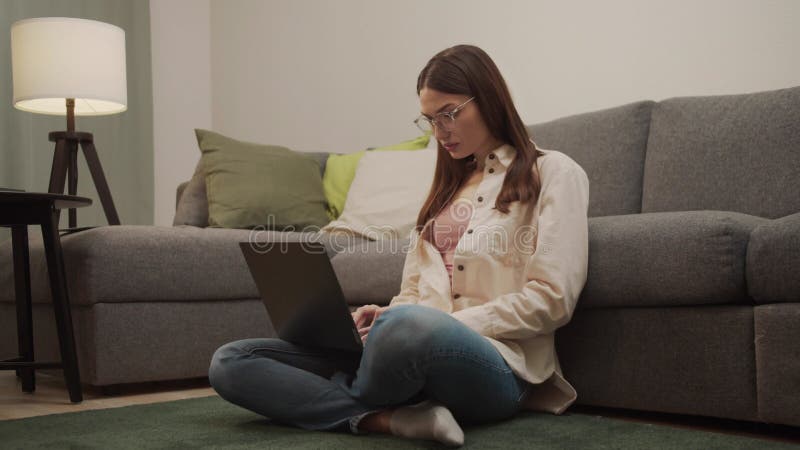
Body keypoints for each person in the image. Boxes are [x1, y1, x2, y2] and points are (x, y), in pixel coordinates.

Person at [208, 44, 590, 447]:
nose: (439, 131)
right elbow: (413, 292)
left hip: (499, 367)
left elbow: (552, 299)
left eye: (449, 114)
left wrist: (427, 326)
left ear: (489, 98)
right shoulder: (446, 191)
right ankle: (389, 419)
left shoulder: (554, 172)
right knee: (231, 361)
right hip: (411, 350)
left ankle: (349, 394)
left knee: (405, 326)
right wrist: (388, 316)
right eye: (429, 119)